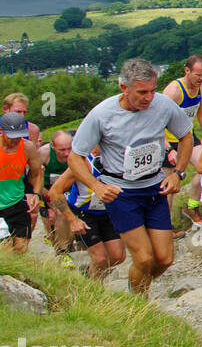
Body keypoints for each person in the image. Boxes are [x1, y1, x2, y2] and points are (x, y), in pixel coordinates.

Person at [68, 58, 193, 296]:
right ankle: (137, 304)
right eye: (142, 92)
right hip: (121, 192)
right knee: (144, 259)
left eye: (153, 91)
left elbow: (186, 135)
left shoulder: (163, 105)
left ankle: (135, 290)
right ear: (124, 88)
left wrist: (178, 173)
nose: (148, 98)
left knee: (165, 259)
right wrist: (96, 186)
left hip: (154, 187)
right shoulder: (102, 114)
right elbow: (75, 157)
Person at [48, 156, 125, 280]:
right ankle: (93, 289)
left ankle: (88, 273)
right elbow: (54, 192)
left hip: (107, 211)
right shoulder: (83, 162)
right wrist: (72, 220)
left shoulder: (123, 159)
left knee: (118, 256)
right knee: (100, 258)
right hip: (84, 213)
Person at [162, 54, 202, 227]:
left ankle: (192, 206)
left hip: (188, 137)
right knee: (169, 187)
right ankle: (166, 227)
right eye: (198, 75)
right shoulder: (173, 91)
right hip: (167, 140)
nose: (201, 79)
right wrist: (169, 149)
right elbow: (157, 123)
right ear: (187, 71)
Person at [0, 112, 44, 254]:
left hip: (17, 201)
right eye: (11, 136)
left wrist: (36, 194)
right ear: (1, 131)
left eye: (18, 136)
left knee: (21, 248)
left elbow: (37, 174)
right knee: (5, 249)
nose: (15, 140)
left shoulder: (27, 147)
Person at [35, 130, 76, 266]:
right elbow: (34, 179)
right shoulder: (43, 153)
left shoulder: (76, 152)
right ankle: (60, 249)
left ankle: (66, 247)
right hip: (46, 190)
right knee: (54, 217)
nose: (66, 153)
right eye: (62, 150)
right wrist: (48, 196)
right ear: (53, 146)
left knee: (67, 214)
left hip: (69, 190)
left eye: (69, 148)